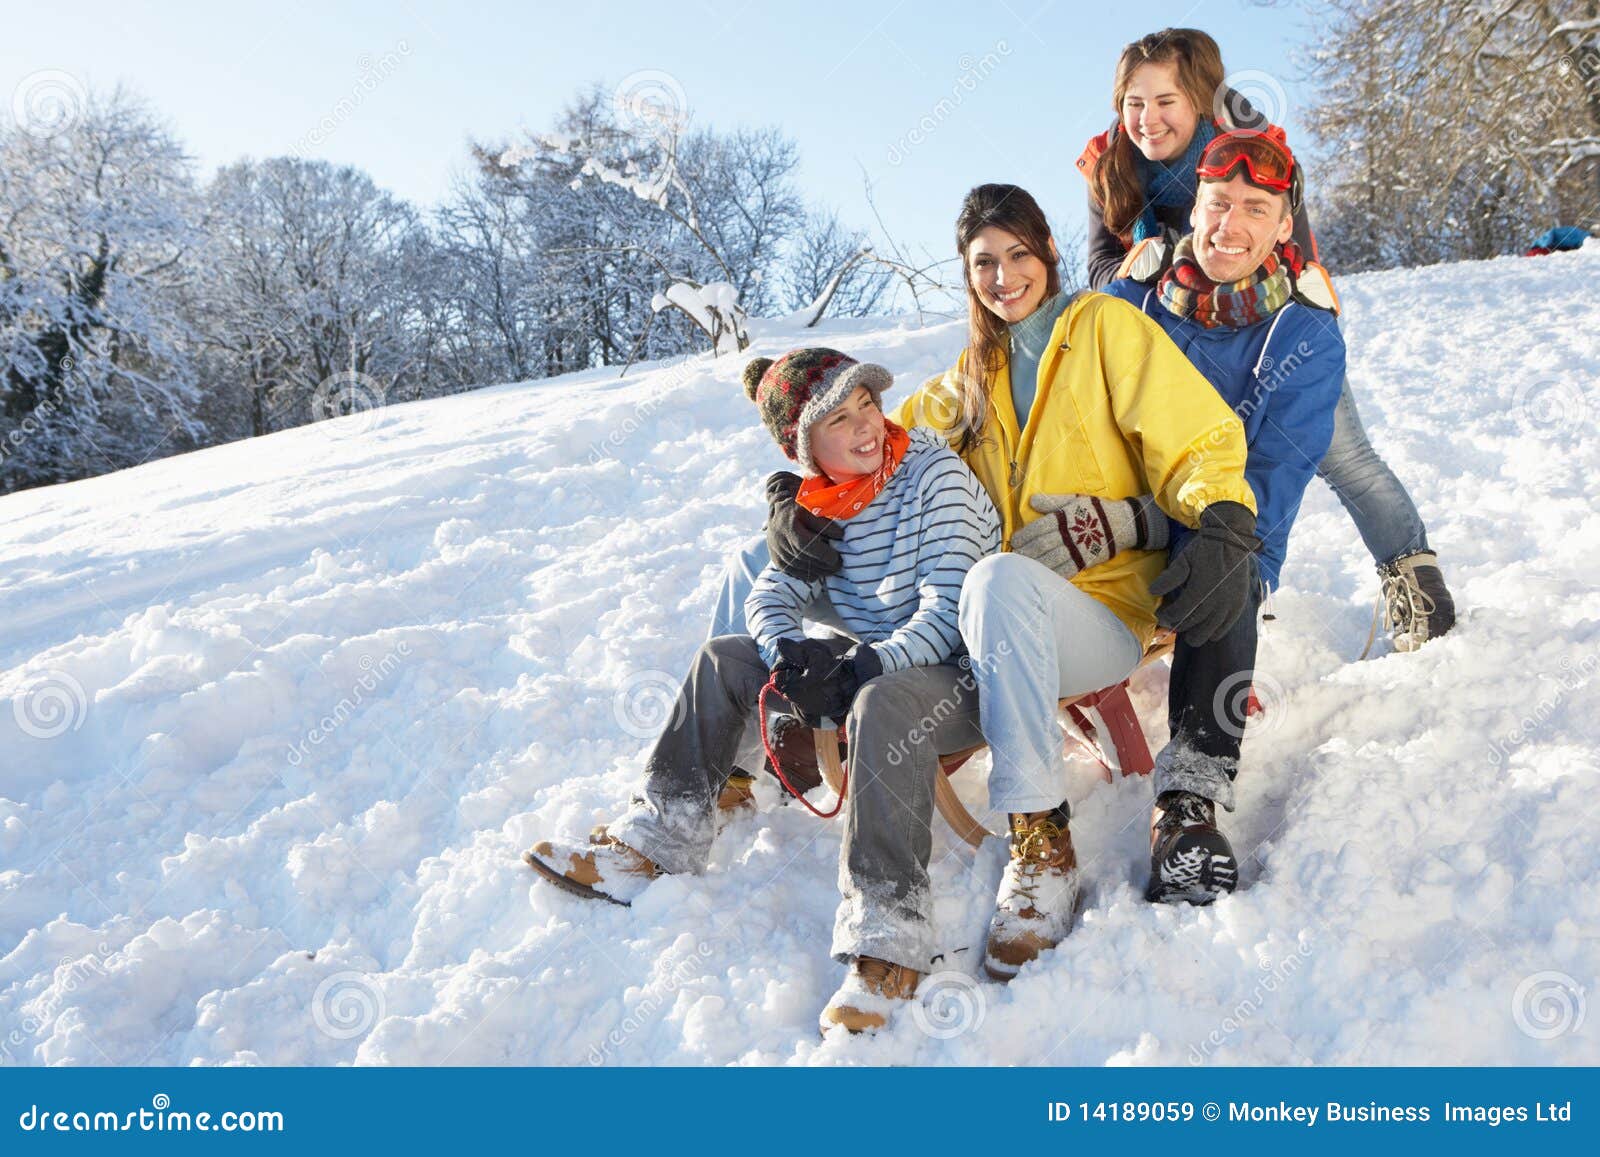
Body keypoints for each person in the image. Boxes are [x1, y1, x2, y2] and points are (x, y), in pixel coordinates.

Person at [760, 184, 1258, 986]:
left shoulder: (1102, 330)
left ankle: (1043, 843)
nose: (1003, 276)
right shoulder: (971, 378)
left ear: (1048, 254)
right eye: (984, 263)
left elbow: (1195, 434)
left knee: (993, 579)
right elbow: (868, 442)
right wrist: (791, 493)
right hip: (989, 631)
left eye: (1019, 254)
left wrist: (1222, 512)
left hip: (1100, 614)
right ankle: (741, 749)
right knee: (773, 569)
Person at [524, 347, 1002, 1037]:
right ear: (808, 446)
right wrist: (794, 659)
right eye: (841, 418)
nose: (867, 425)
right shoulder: (823, 503)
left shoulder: (933, 474)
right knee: (726, 659)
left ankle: (889, 942)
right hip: (869, 669)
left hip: (958, 676)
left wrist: (863, 670)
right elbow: (772, 591)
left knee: (878, 701)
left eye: (867, 403)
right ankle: (659, 836)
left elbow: (946, 604)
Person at [1023, 127, 1345, 903]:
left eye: (1255, 208)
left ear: (1282, 227)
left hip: (1212, 539)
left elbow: (1263, 494)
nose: (1230, 225)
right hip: (1089, 529)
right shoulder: (1132, 296)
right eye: (1217, 202)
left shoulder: (1303, 335)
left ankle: (1187, 806)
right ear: (1193, 206)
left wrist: (1135, 522)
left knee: (1227, 543)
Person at [1078, 27, 1455, 651]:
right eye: (1133, 103)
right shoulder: (1110, 162)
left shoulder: (1246, 141)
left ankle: (1415, 587)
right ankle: (1150, 595)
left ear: (1198, 96)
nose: (1147, 119)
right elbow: (1096, 262)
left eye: (1165, 101)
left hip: (1267, 319)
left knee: (1342, 456)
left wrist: (1304, 326)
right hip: (1168, 319)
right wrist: (1142, 267)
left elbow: (1288, 240)